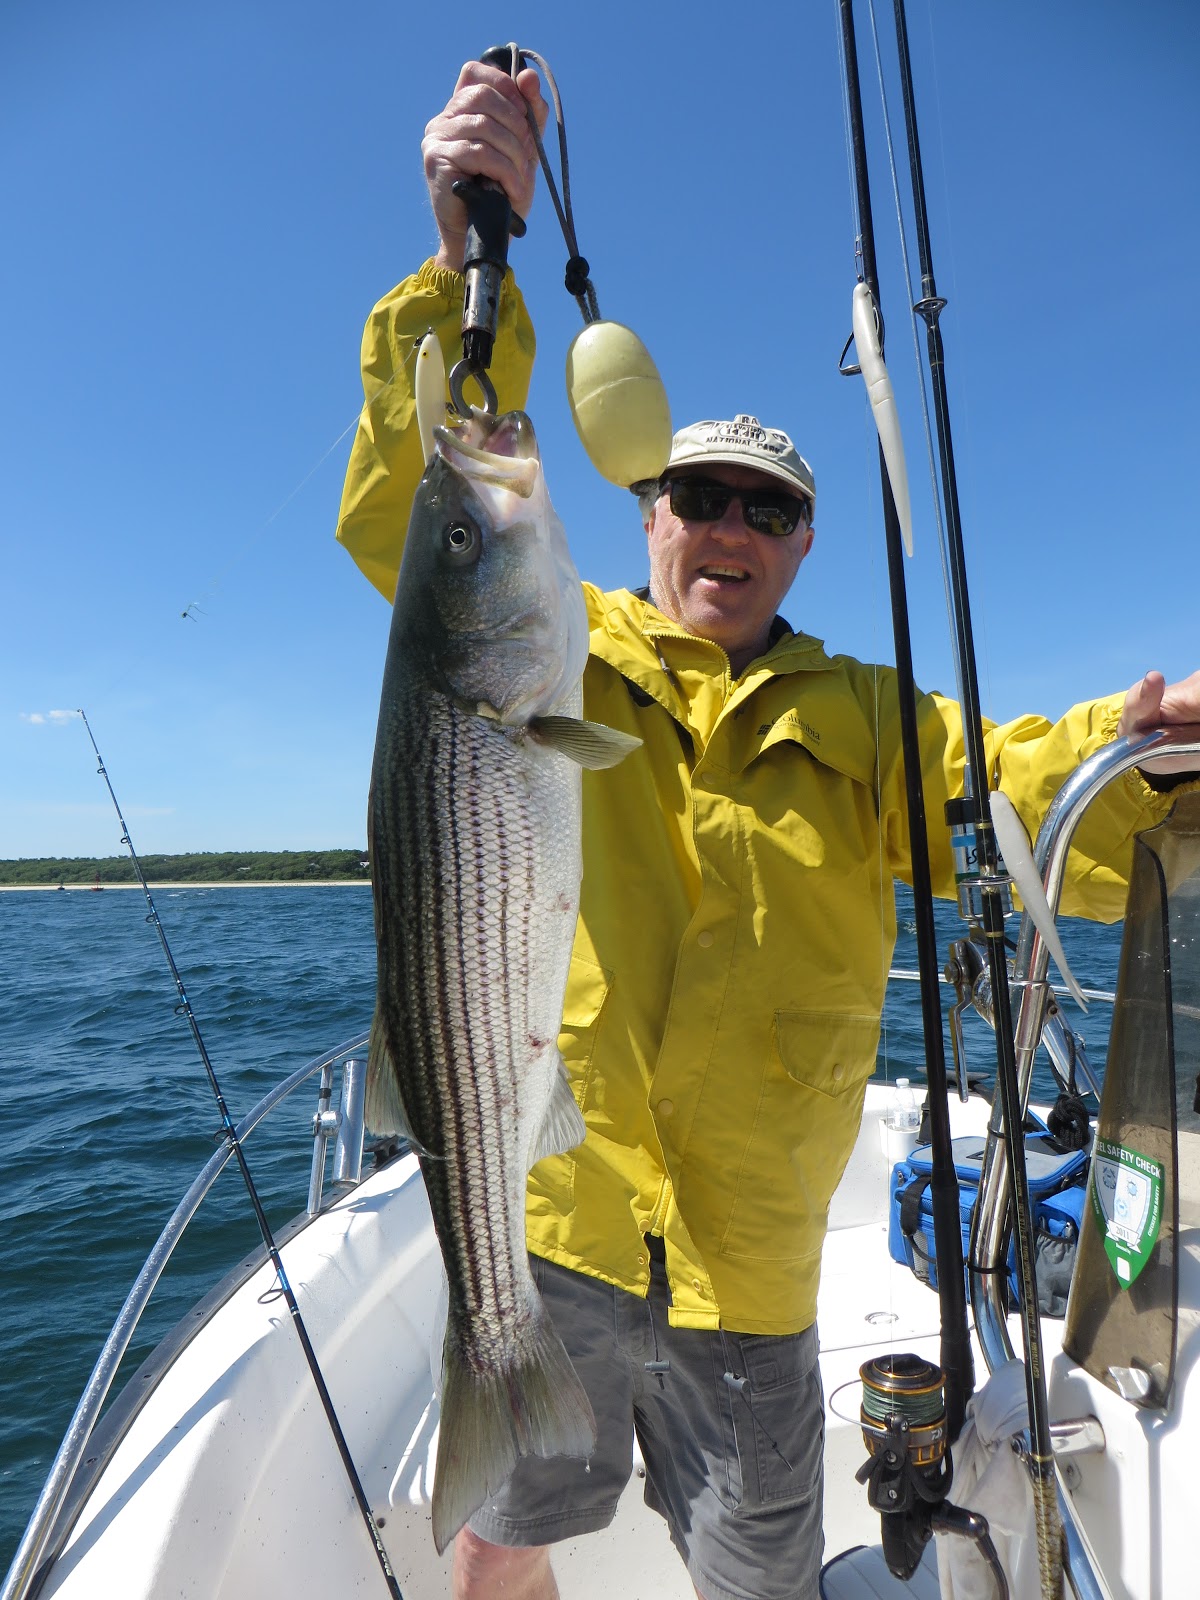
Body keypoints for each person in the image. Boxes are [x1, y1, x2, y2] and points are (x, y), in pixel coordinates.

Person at [336, 60, 1200, 1600]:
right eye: (699, 495)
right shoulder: (548, 646)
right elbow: (418, 505)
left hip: (753, 1259)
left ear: (801, 546)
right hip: (560, 1218)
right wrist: (466, 266)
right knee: (504, 1543)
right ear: (646, 511)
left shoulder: (868, 716)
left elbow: (1024, 801)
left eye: (769, 508)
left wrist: (1159, 757)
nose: (729, 525)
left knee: (762, 1570)